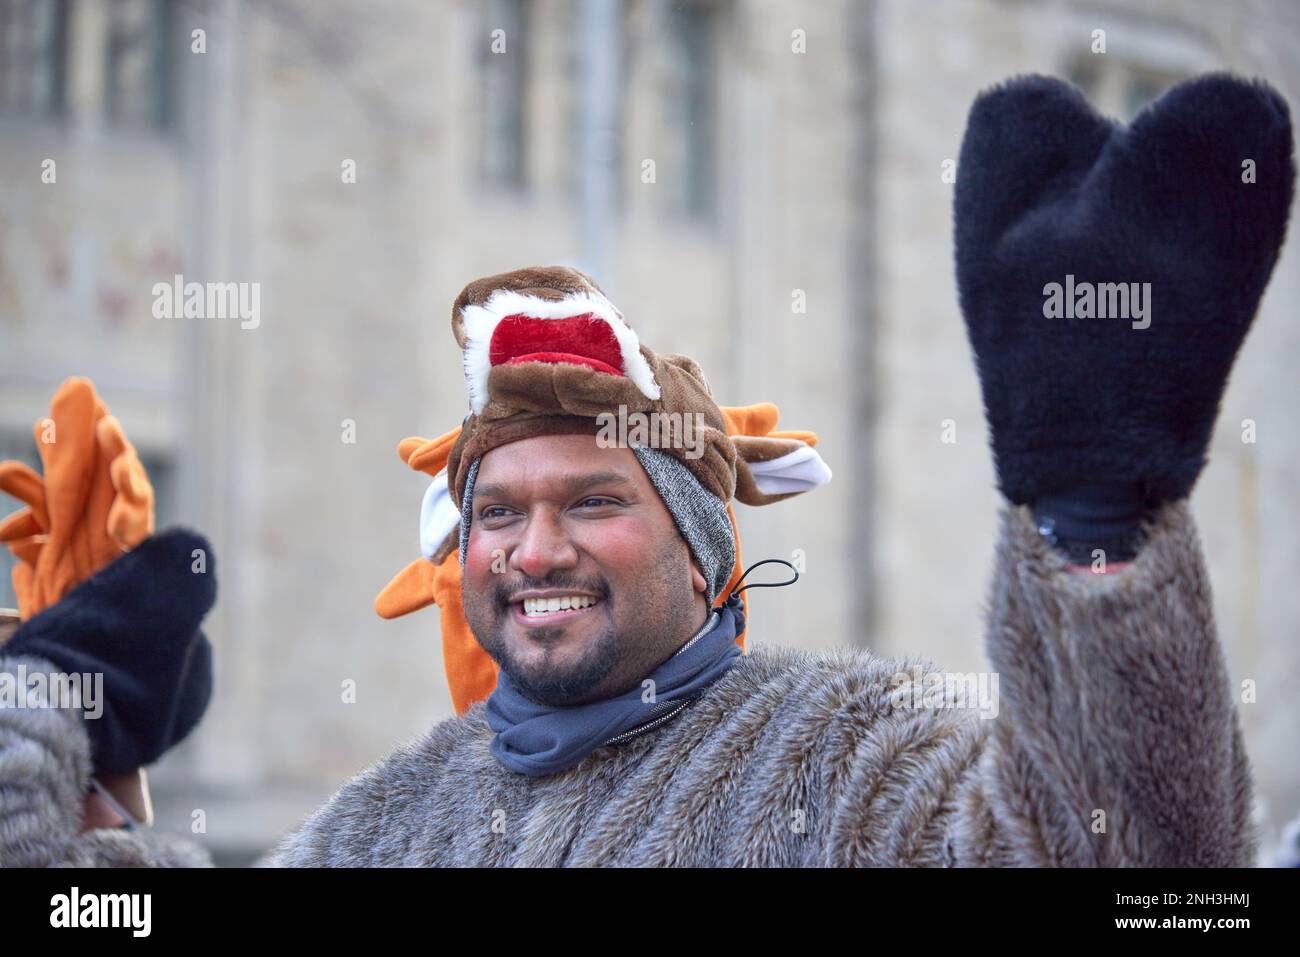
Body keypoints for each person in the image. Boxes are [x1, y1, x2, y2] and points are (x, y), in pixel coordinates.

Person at [0, 71, 1292, 867]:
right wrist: (49, 719)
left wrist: (1090, 515)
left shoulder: (853, 751)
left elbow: (1125, 863)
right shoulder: (384, 822)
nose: (534, 547)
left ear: (699, 543)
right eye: (497, 509)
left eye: (594, 498)